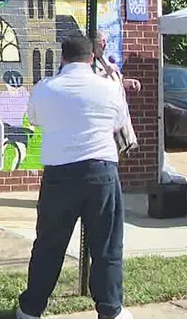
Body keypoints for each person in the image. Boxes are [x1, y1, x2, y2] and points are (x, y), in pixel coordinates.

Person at [16, 34, 132, 319]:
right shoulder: (108, 88)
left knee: (49, 245)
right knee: (106, 246)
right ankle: (110, 310)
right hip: (101, 172)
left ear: (62, 57)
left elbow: (34, 118)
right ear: (92, 57)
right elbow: (118, 123)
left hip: (59, 174)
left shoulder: (46, 88)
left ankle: (31, 309)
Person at [92, 31, 138, 156]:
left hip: (121, 121)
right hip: (106, 125)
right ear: (93, 43)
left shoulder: (104, 59)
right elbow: (90, 87)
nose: (105, 45)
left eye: (106, 42)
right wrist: (106, 72)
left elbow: (114, 82)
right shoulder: (89, 64)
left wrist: (126, 82)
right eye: (102, 42)